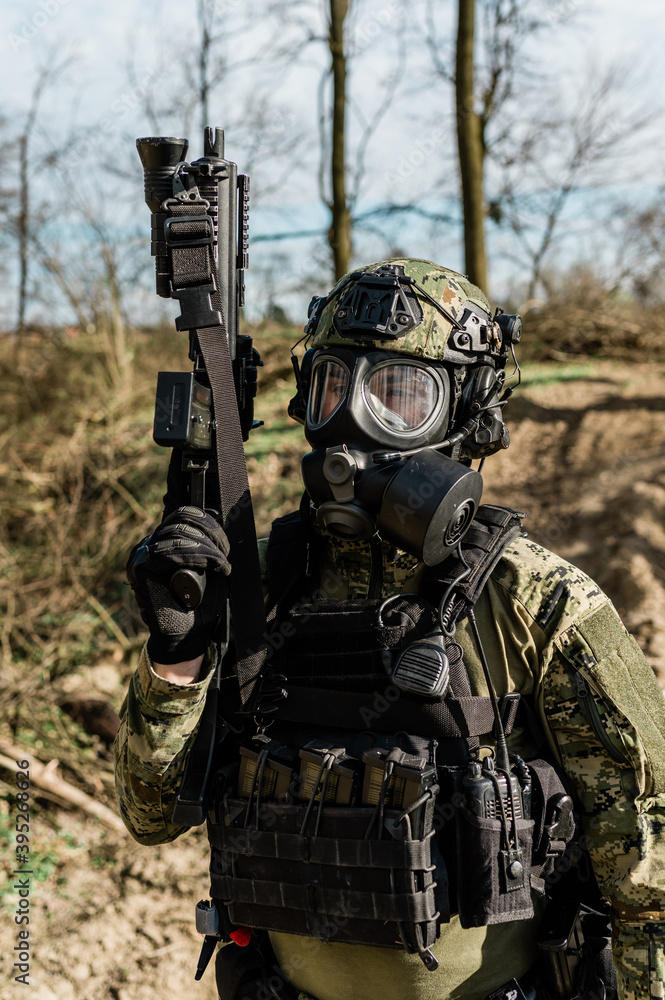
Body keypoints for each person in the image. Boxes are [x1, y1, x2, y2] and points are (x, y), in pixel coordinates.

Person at [114, 259, 665, 1000]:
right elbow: (149, 815)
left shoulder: (537, 601)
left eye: (399, 395)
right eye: (332, 386)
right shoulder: (256, 584)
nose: (352, 420)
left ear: (466, 413)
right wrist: (177, 653)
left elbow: (649, 874)